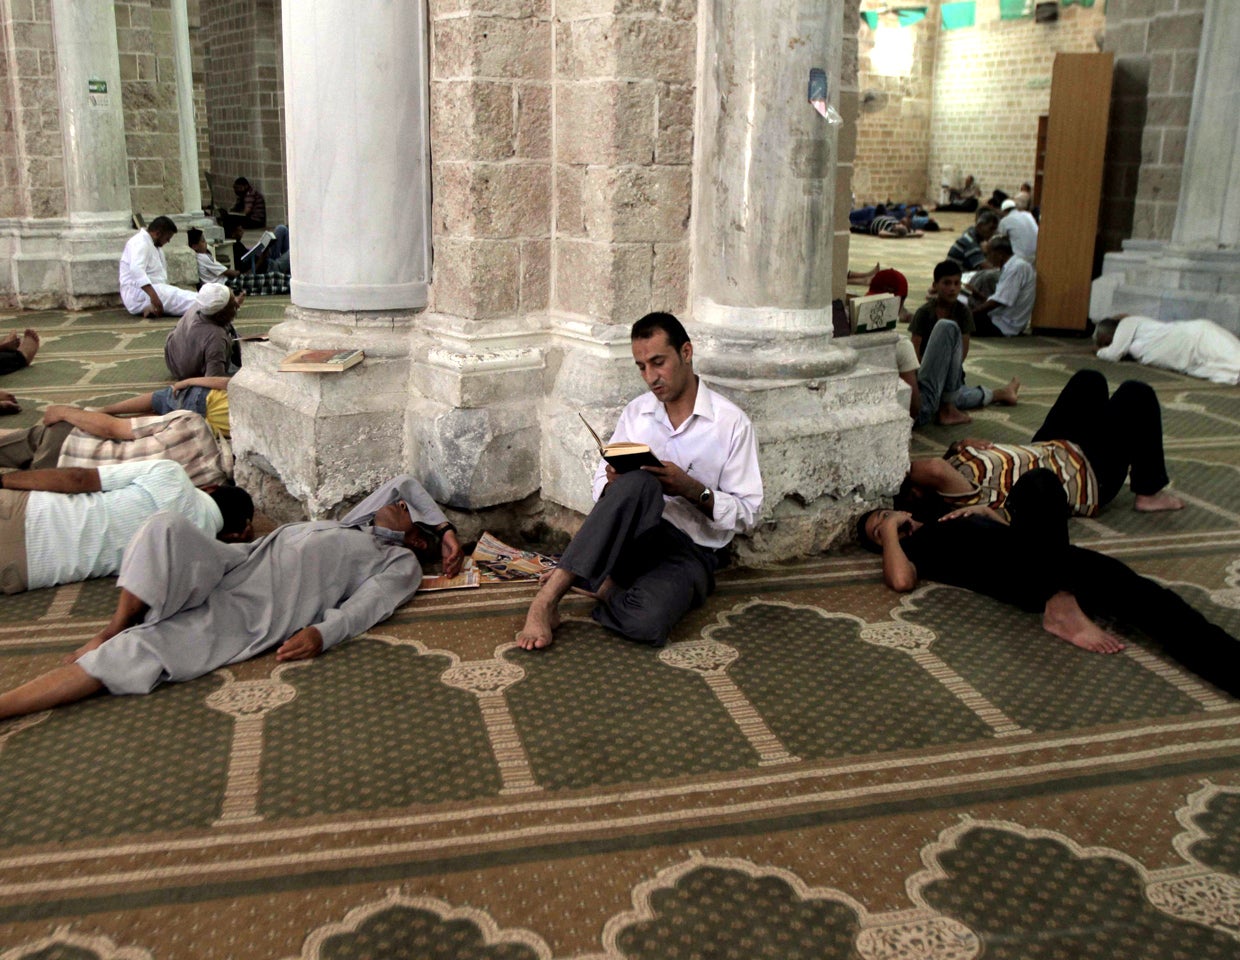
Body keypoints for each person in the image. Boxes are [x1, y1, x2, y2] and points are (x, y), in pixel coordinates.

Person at [0, 474, 460, 721]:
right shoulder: (358, 522)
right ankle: (112, 626)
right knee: (164, 527)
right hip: (235, 562)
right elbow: (403, 481)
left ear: (415, 543)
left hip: (252, 611)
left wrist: (322, 634)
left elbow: (368, 607)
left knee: (139, 652)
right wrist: (445, 528)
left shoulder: (397, 563)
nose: (400, 503)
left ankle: (8, 704)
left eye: (407, 515)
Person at [859, 469, 1238, 696]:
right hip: (1024, 578)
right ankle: (1058, 606)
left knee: (1154, 601)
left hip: (1051, 558)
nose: (885, 523)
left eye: (884, 516)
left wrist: (987, 514)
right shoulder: (917, 550)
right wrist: (890, 532)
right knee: (1039, 483)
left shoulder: (941, 518)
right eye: (877, 532)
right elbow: (901, 581)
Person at [517, 312, 763, 650]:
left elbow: (748, 513)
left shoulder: (731, 423)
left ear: (686, 353)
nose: (651, 377)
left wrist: (693, 490)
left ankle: (599, 584)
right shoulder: (637, 412)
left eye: (658, 362)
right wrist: (610, 480)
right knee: (638, 484)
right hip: (630, 537)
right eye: (641, 367)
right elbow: (598, 488)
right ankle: (546, 600)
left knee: (647, 621)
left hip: (689, 551)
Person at [898, 369, 1183, 521]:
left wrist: (960, 446)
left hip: (1048, 448)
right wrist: (894, 476)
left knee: (1089, 381)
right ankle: (1148, 492)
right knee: (1136, 394)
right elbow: (932, 468)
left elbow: (938, 466)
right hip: (1085, 474)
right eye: (913, 491)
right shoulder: (956, 498)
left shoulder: (949, 471)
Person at [0, 459, 252, 596]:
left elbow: (79, 478)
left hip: (25, 512)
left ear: (210, 488)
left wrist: (4, 480)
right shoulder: (197, 556)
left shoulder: (170, 474)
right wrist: (236, 542)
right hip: (25, 570)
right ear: (231, 534)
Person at [0, 403, 231, 486]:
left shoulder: (191, 423)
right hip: (65, 485)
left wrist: (65, 411)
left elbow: (111, 428)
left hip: (68, 443)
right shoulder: (212, 483)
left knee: (25, 440)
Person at [907, 261, 1019, 426]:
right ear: (935, 285)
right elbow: (915, 347)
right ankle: (997, 394)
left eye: (956, 283)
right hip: (925, 372)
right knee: (954, 396)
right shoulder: (925, 312)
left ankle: (955, 401)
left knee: (953, 394)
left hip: (952, 374)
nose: (952, 288)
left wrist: (947, 379)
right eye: (946, 283)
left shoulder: (963, 312)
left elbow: (962, 352)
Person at [1095, 315, 1240, 385]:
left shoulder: (1127, 324)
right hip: (1184, 346)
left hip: (1191, 336)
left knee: (1230, 355)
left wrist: (1098, 352)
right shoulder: (1133, 338)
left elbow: (1113, 354)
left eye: (1104, 342)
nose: (1106, 346)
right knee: (1220, 363)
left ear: (1109, 333)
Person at [119, 216, 197, 318]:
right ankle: (213, 305)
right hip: (139, 294)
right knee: (179, 298)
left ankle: (212, 301)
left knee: (180, 295)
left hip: (154, 290)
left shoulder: (154, 245)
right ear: (158, 233)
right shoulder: (140, 243)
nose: (168, 241)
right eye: (167, 238)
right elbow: (136, 270)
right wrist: (153, 296)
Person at [164, 283, 244, 381]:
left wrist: (231, 305)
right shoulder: (216, 337)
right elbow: (214, 380)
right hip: (188, 373)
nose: (237, 305)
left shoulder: (200, 306)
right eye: (232, 304)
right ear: (221, 314)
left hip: (173, 357)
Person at [971, 236, 1035, 337]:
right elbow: (1001, 298)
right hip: (1001, 319)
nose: (987, 258)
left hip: (1004, 325)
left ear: (999, 254)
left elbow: (999, 301)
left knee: (956, 316)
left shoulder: (1016, 267)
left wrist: (970, 314)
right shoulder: (1013, 266)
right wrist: (977, 294)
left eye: (988, 254)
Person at [996, 198, 1038, 265]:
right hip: (1038, 256)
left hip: (1022, 259)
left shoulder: (1005, 220)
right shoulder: (1028, 214)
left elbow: (1000, 240)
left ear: (1004, 211)